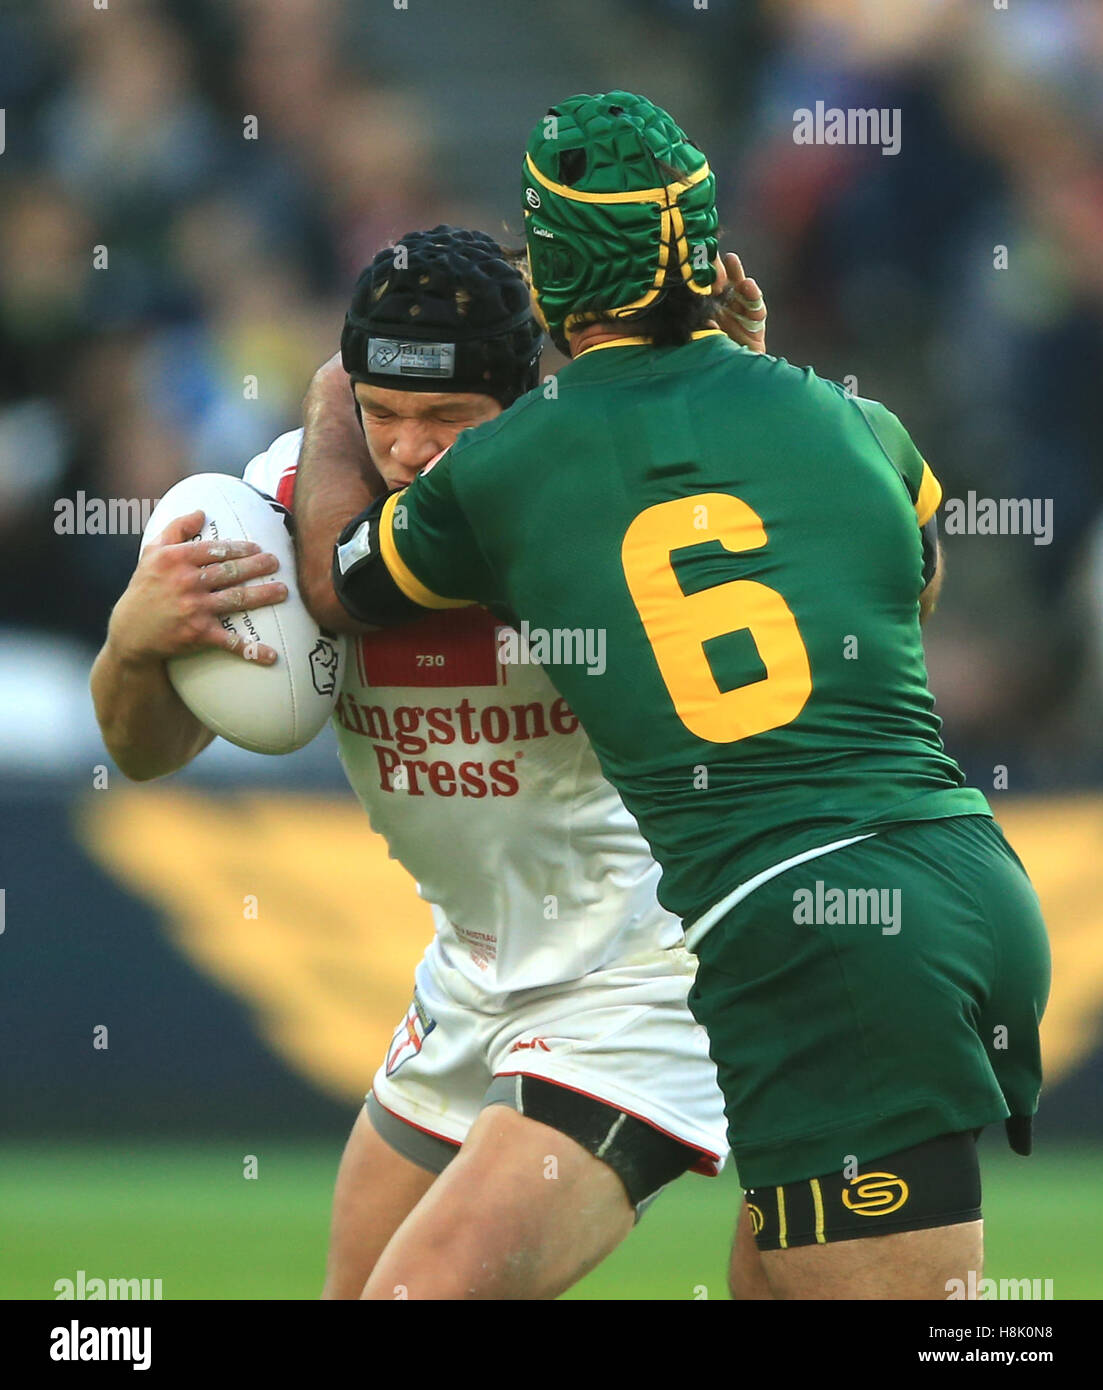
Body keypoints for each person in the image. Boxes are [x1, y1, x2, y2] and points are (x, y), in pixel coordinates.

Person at [327, 93, 1052, 1301]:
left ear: (549, 266)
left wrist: (327, 398)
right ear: (709, 256)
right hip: (963, 876)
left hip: (812, 927)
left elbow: (346, 580)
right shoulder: (838, 413)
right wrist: (753, 382)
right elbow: (903, 581)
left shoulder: (510, 462)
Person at [90, 223, 768, 1300]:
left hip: (645, 972)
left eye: (446, 417)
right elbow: (144, 750)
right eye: (382, 412)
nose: (407, 447)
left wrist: (739, 418)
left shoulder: (597, 500)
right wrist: (137, 641)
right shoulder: (278, 503)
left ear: (522, 396)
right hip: (470, 977)